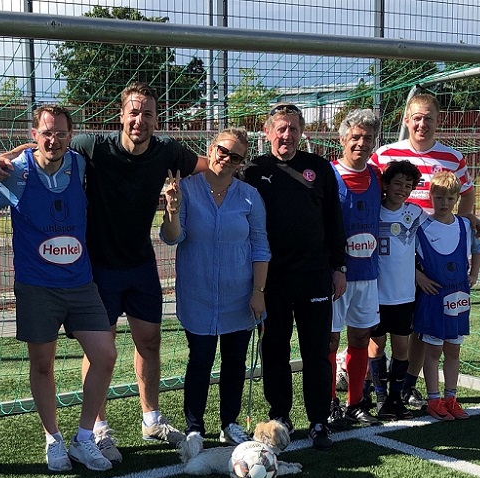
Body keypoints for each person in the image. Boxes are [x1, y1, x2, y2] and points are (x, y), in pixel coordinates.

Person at [0, 83, 207, 461]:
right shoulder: (92, 146)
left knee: (150, 341)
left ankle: (151, 417)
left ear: (157, 120)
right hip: (96, 266)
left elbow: (210, 165)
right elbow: (42, 148)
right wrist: (5, 157)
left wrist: (241, 165)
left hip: (140, 262)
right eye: (133, 113)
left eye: (148, 114)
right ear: (121, 115)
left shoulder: (167, 151)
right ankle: (98, 428)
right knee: (99, 348)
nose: (140, 120)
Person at [0, 104, 116, 472]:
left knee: (104, 355)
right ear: (33, 135)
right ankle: (53, 439)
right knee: (42, 365)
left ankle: (84, 438)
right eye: (46, 133)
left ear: (70, 135)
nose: (53, 139)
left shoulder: (81, 165)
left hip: (80, 282)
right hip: (37, 285)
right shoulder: (18, 172)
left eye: (60, 133)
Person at [241, 104, 346, 451]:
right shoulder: (253, 170)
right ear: (268, 131)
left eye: (294, 129)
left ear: (302, 132)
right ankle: (280, 416)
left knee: (317, 351)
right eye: (281, 129)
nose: (287, 136)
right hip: (272, 280)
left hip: (314, 276)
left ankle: (318, 421)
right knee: (274, 350)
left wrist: (339, 267)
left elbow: (333, 220)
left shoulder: (318, 168)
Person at [369, 92, 480, 409]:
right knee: (377, 325)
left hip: (433, 257)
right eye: (416, 117)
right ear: (406, 120)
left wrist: (465, 221)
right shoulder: (385, 155)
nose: (422, 123)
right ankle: (375, 386)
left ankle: (408, 385)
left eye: (428, 117)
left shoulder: (453, 158)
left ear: (437, 120)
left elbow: (467, 194)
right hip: (393, 254)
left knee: (421, 325)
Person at [160, 128, 270, 445]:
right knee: (200, 360)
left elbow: (261, 247)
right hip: (198, 294)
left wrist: (259, 292)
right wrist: (172, 208)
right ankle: (195, 426)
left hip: (241, 295)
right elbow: (171, 237)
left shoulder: (250, 196)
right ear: (211, 149)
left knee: (234, 362)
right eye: (222, 151)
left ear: (240, 162)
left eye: (235, 156)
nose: (226, 159)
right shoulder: (187, 189)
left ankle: (229, 423)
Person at [328, 109, 383, 427]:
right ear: (343, 139)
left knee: (361, 338)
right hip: (336, 276)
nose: (362, 142)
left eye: (368, 137)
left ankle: (356, 404)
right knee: (329, 342)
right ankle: (329, 404)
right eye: (356, 136)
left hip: (368, 275)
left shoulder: (378, 176)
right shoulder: (328, 174)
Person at [414, 171, 480, 420]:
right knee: (433, 352)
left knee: (453, 350)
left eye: (450, 198)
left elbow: (477, 249)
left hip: (458, 296)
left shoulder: (464, 225)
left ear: (457, 199)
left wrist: (474, 274)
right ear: (430, 195)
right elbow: (403, 256)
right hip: (433, 298)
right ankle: (433, 400)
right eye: (439, 197)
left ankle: (451, 399)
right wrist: (417, 276)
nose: (444, 202)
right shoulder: (420, 225)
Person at [367, 160, 424, 421]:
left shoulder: (415, 214)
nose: (403, 189)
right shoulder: (372, 212)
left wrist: (468, 221)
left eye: (408, 186)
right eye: (398, 183)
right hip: (375, 293)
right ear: (386, 184)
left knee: (402, 348)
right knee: (375, 347)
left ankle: (395, 397)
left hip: (404, 294)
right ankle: (380, 399)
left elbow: (439, 230)